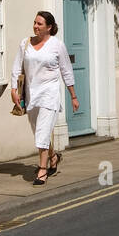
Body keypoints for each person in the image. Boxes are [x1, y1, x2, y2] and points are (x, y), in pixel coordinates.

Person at [10, 10, 78, 185]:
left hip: (50, 93)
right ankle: (53, 156)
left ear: (49, 27)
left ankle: (42, 169)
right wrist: (13, 90)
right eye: (35, 22)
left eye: (39, 24)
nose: (35, 26)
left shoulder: (57, 45)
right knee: (39, 131)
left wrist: (73, 96)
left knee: (42, 130)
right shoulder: (25, 43)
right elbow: (17, 68)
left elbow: (66, 70)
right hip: (32, 94)